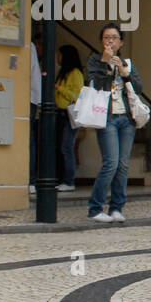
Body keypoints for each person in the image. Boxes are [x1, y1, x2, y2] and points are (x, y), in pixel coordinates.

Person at [85, 23, 144, 223]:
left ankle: (117, 207)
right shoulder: (95, 60)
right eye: (106, 38)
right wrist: (105, 64)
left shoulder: (127, 63)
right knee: (111, 163)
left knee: (123, 165)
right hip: (107, 117)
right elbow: (93, 85)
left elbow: (139, 88)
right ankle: (95, 208)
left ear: (121, 42)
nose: (110, 41)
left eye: (114, 38)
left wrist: (123, 71)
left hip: (126, 119)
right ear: (101, 41)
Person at [54, 45, 85, 192]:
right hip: (61, 113)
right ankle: (62, 179)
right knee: (62, 147)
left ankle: (69, 180)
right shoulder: (63, 72)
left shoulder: (75, 73)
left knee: (67, 147)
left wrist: (59, 88)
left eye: (59, 55)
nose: (57, 58)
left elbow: (77, 96)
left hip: (70, 114)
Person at [28, 30, 42, 195]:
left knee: (29, 139)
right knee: (29, 139)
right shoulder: (30, 47)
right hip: (31, 98)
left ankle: (30, 179)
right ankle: (30, 180)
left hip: (28, 98)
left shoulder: (29, 47)